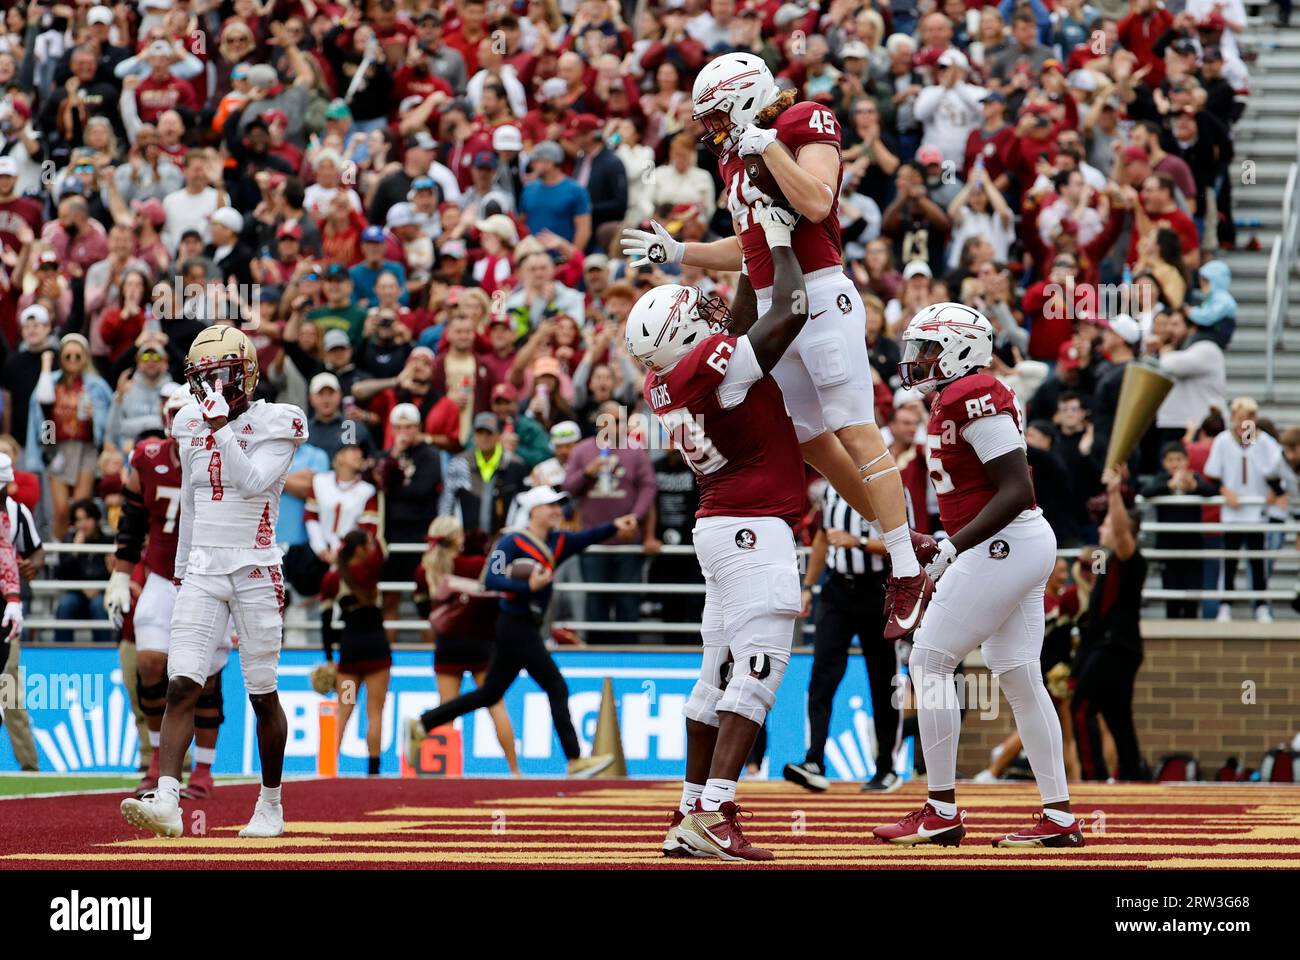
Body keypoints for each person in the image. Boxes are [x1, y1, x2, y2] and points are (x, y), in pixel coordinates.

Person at [623, 52, 929, 641]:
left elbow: (817, 202)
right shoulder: (737, 156)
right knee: (812, 441)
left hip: (817, 292)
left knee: (855, 430)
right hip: (772, 303)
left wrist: (767, 146)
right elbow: (748, 248)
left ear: (742, 98)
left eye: (715, 118)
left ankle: (906, 569)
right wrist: (679, 253)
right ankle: (906, 537)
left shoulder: (800, 121)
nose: (711, 134)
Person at [629, 201, 809, 862]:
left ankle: (688, 811)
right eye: (694, 313)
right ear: (682, 335)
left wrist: (748, 240)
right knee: (760, 667)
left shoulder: (668, 378)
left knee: (714, 673)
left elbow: (735, 324)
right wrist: (781, 240)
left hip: (721, 523)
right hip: (749, 529)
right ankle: (714, 811)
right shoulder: (714, 373)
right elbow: (790, 309)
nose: (708, 314)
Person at [873, 302, 1081, 849]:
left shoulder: (974, 393)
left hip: (1004, 543)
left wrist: (950, 545)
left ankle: (940, 810)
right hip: (1011, 543)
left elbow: (1015, 489)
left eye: (929, 349)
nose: (917, 360)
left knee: (930, 659)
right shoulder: (954, 397)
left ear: (961, 349)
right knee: (1016, 671)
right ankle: (1058, 817)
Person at [120, 326, 308, 839]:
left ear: (244, 373)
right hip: (202, 568)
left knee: (261, 692)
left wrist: (222, 426)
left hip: (255, 567)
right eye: (202, 378)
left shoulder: (280, 420)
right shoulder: (187, 421)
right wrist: (182, 571)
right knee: (182, 682)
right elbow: (192, 496)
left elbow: (251, 481)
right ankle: (167, 800)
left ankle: (270, 805)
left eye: (219, 375)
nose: (210, 387)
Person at [410, 485, 635, 777]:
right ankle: (575, 759)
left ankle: (424, 723)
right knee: (556, 686)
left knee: (489, 693)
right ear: (534, 511)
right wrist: (526, 587)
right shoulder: (511, 541)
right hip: (516, 625)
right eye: (551, 506)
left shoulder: (555, 541)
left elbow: (584, 538)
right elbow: (491, 579)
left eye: (559, 506)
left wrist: (614, 526)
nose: (557, 511)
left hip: (522, 626)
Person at [105, 389, 231, 798]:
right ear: (166, 417)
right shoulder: (148, 457)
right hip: (162, 574)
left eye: (187, 414)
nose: (181, 424)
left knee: (205, 679)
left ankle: (204, 771)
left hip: (209, 578)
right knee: (149, 662)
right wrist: (123, 574)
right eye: (175, 414)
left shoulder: (223, 455)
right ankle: (158, 761)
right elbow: (132, 520)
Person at [784, 480, 903, 794]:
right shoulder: (829, 489)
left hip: (876, 589)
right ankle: (814, 761)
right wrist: (808, 587)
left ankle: (887, 767)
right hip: (837, 590)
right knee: (822, 676)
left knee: (882, 680)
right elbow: (824, 537)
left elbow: (904, 542)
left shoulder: (886, 484)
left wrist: (859, 542)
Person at [415, 516, 520, 776]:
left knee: (446, 709)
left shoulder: (425, 569)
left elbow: (422, 609)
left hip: (447, 645)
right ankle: (514, 769)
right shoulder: (476, 564)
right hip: (481, 645)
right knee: (495, 705)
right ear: (457, 538)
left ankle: (445, 773)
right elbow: (496, 599)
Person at [1072, 467, 1148, 782]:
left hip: (1115, 647)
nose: (1102, 529)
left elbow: (1121, 532)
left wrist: (1115, 493)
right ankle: (1134, 773)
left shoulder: (1131, 560)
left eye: (1106, 524)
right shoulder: (1108, 564)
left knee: (1081, 707)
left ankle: (1092, 775)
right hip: (1117, 648)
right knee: (1117, 716)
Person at [1204, 397, 1286, 623]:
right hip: (1232, 513)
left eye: (1250, 418)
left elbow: (1280, 468)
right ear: (1233, 419)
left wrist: (1274, 491)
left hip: (1256, 513)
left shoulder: (1264, 442)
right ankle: (1225, 605)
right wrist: (1224, 491)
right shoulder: (1222, 441)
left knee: (1257, 561)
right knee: (1229, 561)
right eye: (1240, 418)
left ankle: (1260, 604)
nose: (1244, 423)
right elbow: (1211, 475)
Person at [320, 529, 390, 776]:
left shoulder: (333, 579)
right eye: (367, 545)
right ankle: (373, 771)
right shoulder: (371, 568)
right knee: (374, 712)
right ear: (359, 549)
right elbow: (381, 551)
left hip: (350, 654)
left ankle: (328, 767)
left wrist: (329, 658)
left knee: (345, 709)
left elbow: (326, 624)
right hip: (377, 652)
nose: (371, 548)